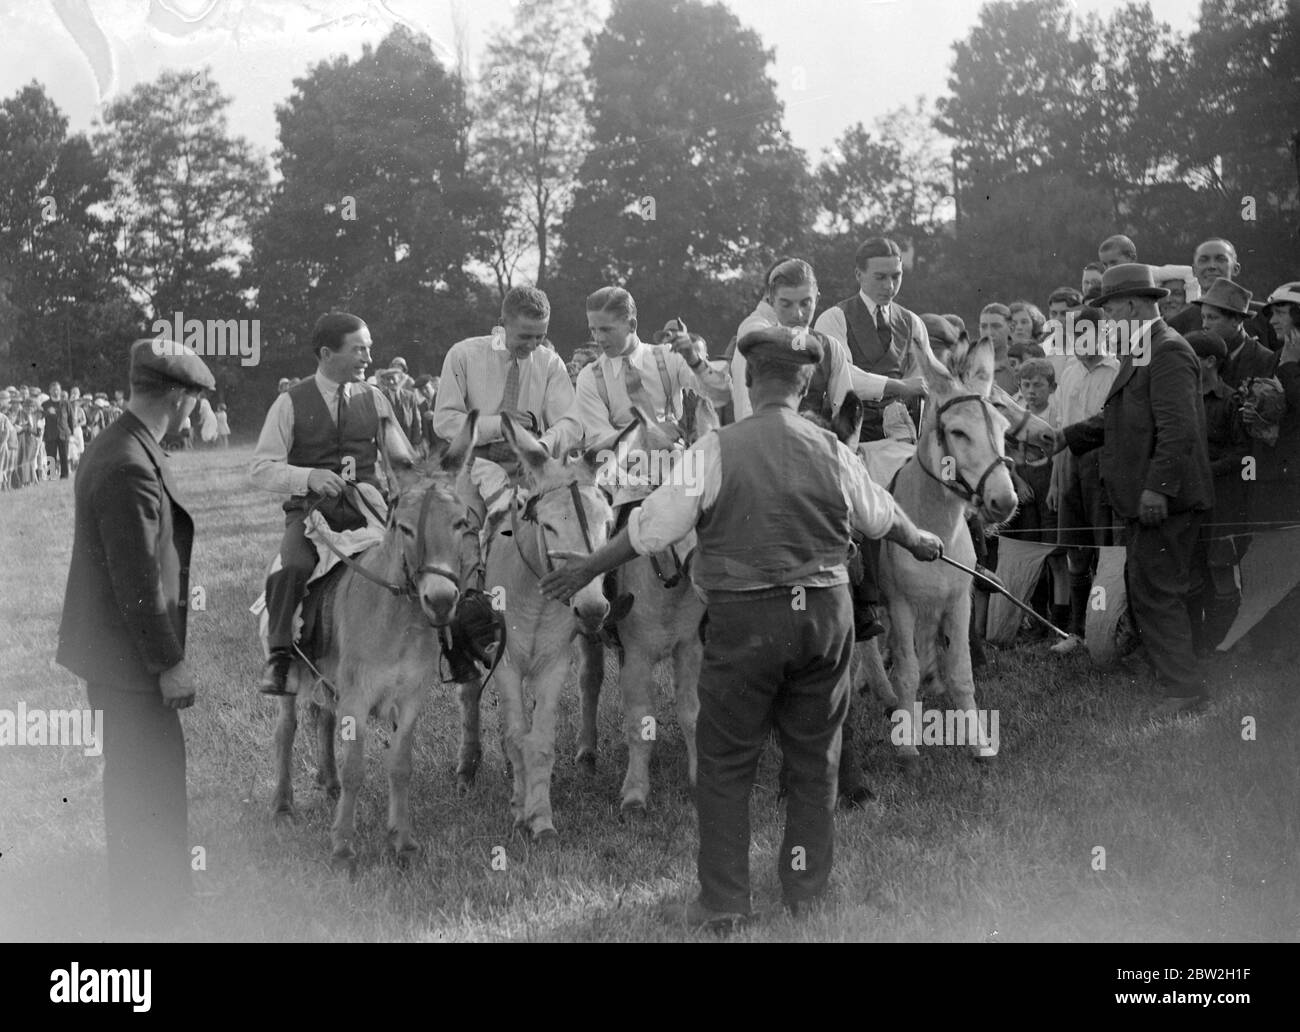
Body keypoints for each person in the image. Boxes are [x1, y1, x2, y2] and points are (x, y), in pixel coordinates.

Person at [538, 326, 943, 929]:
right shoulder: (833, 448)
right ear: (806, 385)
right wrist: (924, 539)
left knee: (726, 761)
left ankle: (724, 900)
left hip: (750, 619)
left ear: (751, 382)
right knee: (815, 756)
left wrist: (588, 569)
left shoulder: (716, 450)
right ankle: (806, 892)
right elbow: (884, 519)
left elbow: (652, 529)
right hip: (827, 618)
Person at [55, 337, 214, 937]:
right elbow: (137, 581)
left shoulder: (124, 444)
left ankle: (156, 904)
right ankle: (149, 917)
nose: (197, 412)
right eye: (196, 400)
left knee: (142, 780)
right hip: (130, 663)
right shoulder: (127, 462)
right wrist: (168, 663)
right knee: (146, 784)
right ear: (177, 399)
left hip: (118, 659)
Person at [1057, 265, 1214, 714]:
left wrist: (1157, 490)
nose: (1106, 319)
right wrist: (1066, 437)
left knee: (1157, 592)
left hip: (1165, 502)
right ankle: (1170, 676)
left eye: (1108, 309)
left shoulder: (1166, 351)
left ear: (1130, 305)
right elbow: (1118, 421)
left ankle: (1184, 691)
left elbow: (1178, 430)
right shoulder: (1143, 350)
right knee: (1148, 588)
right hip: (1147, 500)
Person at [250, 311, 408, 696]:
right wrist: (308, 477)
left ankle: (444, 649)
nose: (368, 360)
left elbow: (401, 460)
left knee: (419, 560)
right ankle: (282, 659)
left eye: (369, 350)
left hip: (368, 512)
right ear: (326, 353)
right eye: (359, 350)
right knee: (292, 569)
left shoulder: (375, 398)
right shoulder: (290, 403)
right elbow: (260, 468)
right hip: (311, 515)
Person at [433, 287, 577, 679]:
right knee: (458, 538)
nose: (532, 344)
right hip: (476, 463)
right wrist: (502, 425)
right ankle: (460, 642)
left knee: (570, 529)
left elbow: (570, 421)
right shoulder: (464, 354)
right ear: (502, 326)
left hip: (530, 465)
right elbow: (445, 421)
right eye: (524, 336)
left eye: (540, 336)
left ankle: (579, 620)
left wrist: (540, 445)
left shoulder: (549, 362)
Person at [813, 238, 929, 441]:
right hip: (848, 433)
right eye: (880, 277)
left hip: (900, 432)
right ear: (859, 275)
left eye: (896, 276)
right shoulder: (834, 318)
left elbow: (921, 379)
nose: (889, 286)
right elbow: (843, 376)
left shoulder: (912, 322)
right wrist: (899, 386)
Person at [1184, 331, 1248, 654]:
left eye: (1189, 356)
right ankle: (1199, 645)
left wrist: (1206, 469)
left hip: (1221, 503)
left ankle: (1223, 643)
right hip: (1188, 504)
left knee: (1222, 571)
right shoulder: (1180, 399)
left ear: (1210, 361)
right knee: (1191, 574)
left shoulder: (1231, 401)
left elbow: (1243, 455)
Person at [1191, 278, 1277, 388]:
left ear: (1236, 320)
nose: (1205, 325)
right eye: (1203, 317)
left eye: (1212, 318)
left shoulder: (1265, 361)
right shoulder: (1198, 354)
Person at [977, 303, 1018, 393]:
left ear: (1011, 328)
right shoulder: (969, 364)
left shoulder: (1019, 364)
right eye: (983, 326)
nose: (989, 332)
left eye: (996, 326)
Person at [41, 381, 74, 479]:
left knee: (64, 455)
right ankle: (51, 475)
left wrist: (71, 432)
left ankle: (64, 475)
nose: (56, 392)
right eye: (53, 390)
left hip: (64, 433)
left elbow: (70, 418)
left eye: (57, 390)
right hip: (50, 433)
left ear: (60, 391)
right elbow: (41, 419)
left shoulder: (66, 403)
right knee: (51, 456)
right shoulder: (45, 404)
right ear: (49, 391)